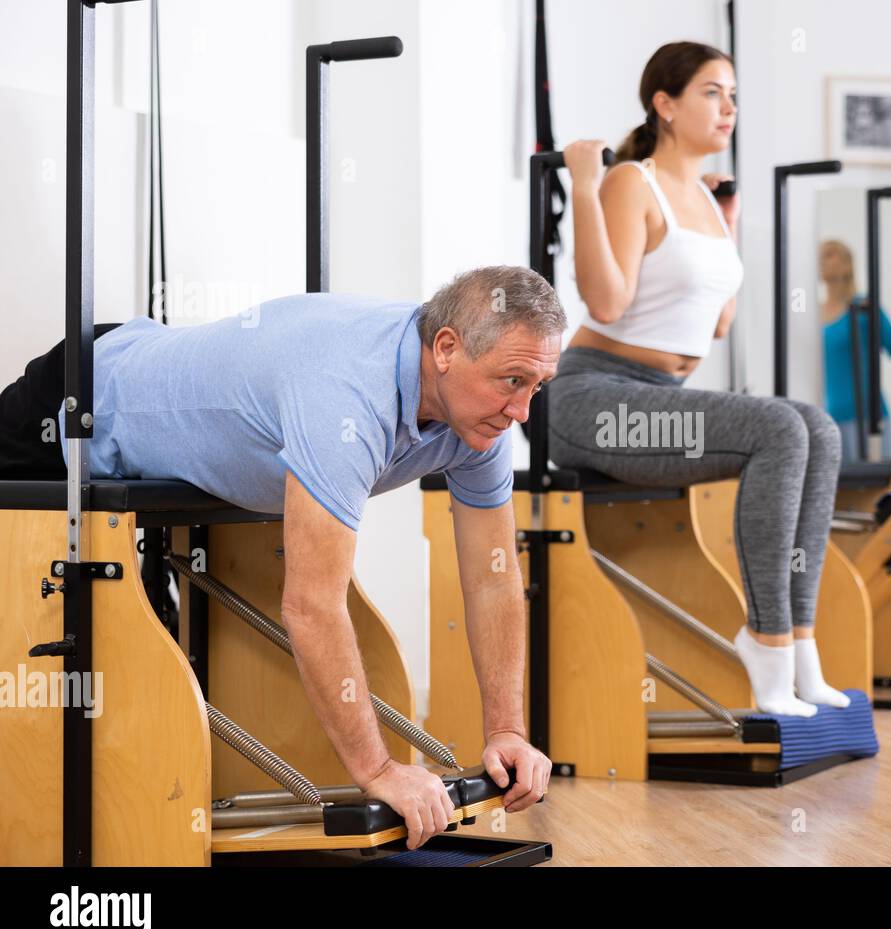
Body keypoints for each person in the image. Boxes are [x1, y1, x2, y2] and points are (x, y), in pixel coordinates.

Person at [0, 266, 559, 845]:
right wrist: (377, 771)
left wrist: (507, 730)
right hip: (84, 396)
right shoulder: (346, 396)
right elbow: (312, 605)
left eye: (536, 387)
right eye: (511, 381)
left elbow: (493, 579)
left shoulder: (482, 422)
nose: (521, 411)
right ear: (446, 348)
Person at [550, 41, 850, 717]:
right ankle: (766, 641)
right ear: (665, 103)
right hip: (595, 401)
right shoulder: (632, 182)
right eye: (713, 92)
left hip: (662, 399)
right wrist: (585, 187)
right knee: (778, 427)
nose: (729, 108)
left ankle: (801, 642)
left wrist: (730, 230)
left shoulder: (709, 201)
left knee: (818, 429)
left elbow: (715, 327)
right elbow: (605, 304)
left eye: (734, 95)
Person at [819, 239, 891, 460]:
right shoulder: (812, 314)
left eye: (830, 254)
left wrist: (875, 316)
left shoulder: (864, 307)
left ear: (848, 265)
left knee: (876, 487)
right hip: (830, 417)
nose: (822, 259)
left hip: (869, 416)